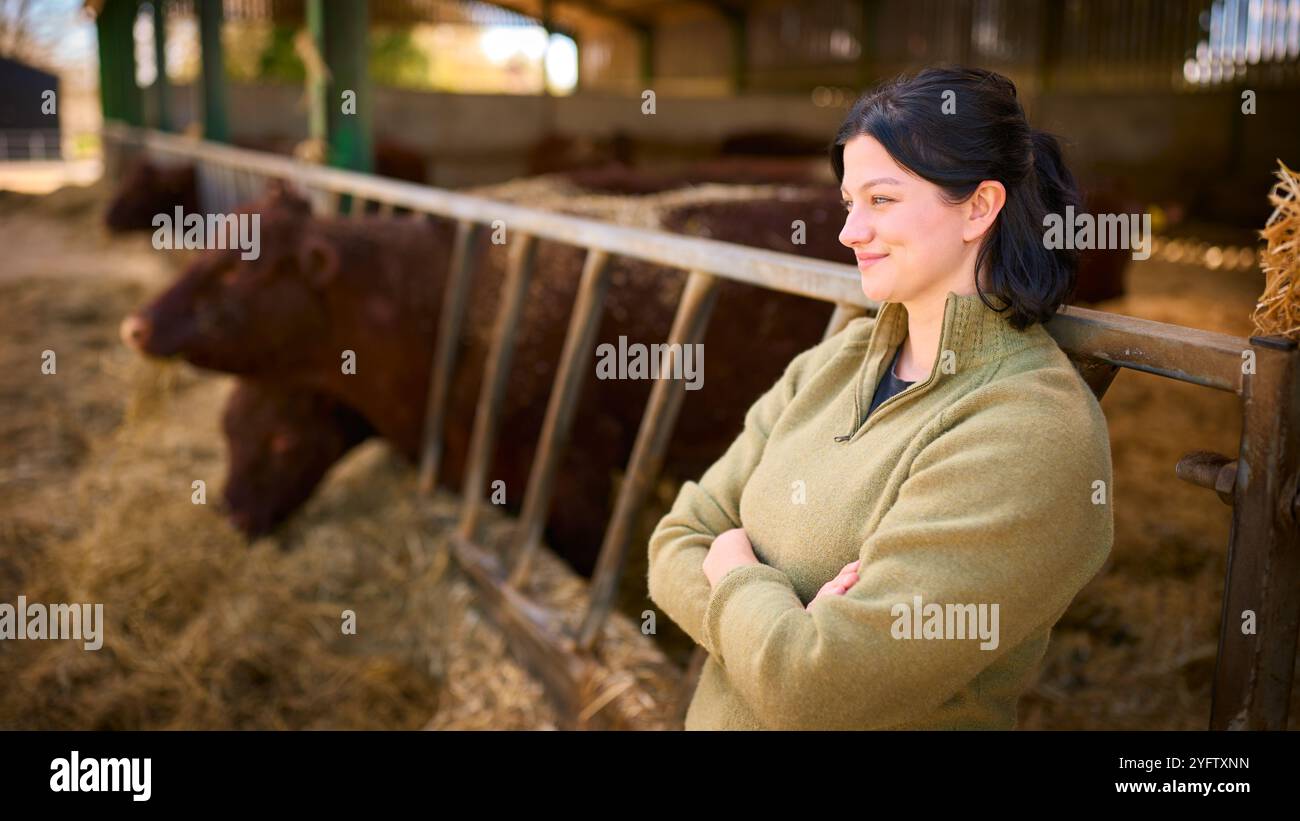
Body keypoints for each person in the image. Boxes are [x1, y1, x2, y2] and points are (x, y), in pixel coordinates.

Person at [646, 66, 1114, 730]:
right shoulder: (833, 364)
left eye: (882, 200)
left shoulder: (1031, 431)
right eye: (848, 203)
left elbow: (816, 689)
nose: (849, 232)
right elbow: (674, 539)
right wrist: (779, 623)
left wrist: (734, 566)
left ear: (979, 206)